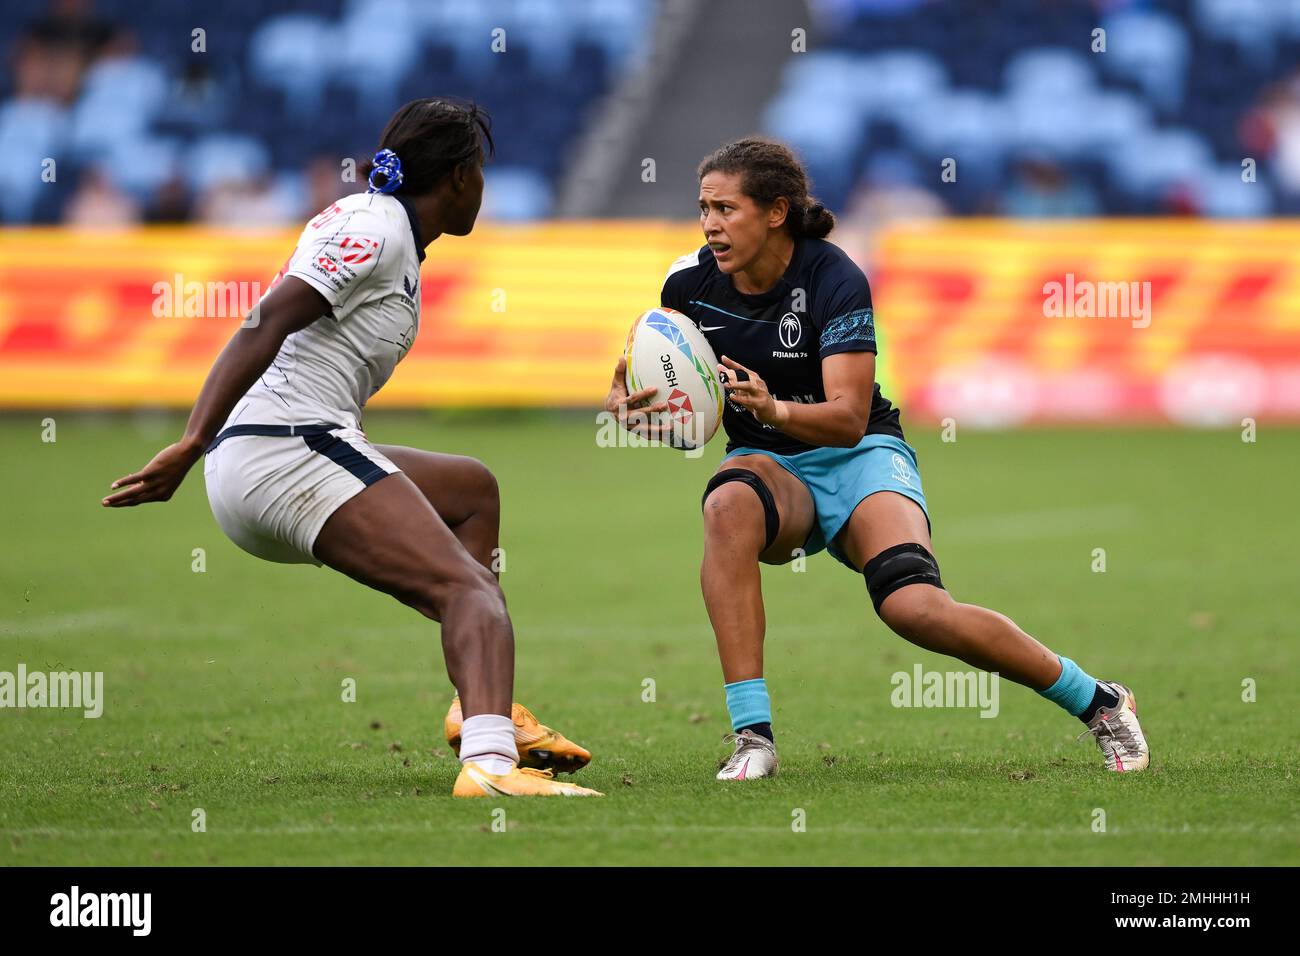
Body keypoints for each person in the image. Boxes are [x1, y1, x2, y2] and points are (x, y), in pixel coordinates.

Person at [604, 138, 1150, 780]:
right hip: (770, 467)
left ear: (776, 212)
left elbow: (847, 417)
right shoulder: (685, 282)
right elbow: (684, 407)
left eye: (726, 208)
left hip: (859, 455)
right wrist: (638, 409)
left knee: (913, 608)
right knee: (726, 506)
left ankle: (1099, 701)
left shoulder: (834, 278)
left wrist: (774, 407)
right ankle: (753, 737)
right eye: (703, 208)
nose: (710, 224)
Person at [103, 98, 601, 797]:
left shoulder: (384, 226)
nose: (484, 187)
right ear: (460, 177)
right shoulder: (376, 227)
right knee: (469, 589)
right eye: (480, 172)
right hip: (283, 448)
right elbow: (265, 319)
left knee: (471, 491)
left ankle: (479, 701)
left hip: (286, 447)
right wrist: (192, 440)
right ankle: (490, 766)